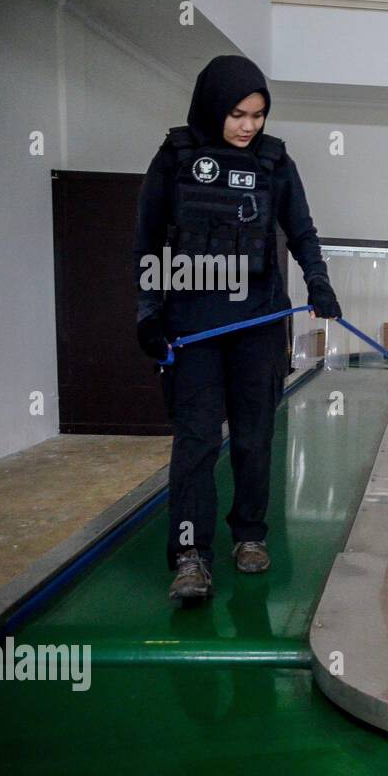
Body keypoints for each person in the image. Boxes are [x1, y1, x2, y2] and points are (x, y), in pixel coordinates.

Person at [133, 54, 342, 604]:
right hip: (193, 328)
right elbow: (148, 241)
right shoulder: (175, 157)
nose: (249, 126)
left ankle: (249, 536)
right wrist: (148, 311)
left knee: (254, 438)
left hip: (257, 323)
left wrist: (318, 282)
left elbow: (302, 230)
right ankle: (190, 554)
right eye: (237, 114)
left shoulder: (275, 161)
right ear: (211, 107)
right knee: (197, 442)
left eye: (258, 114)